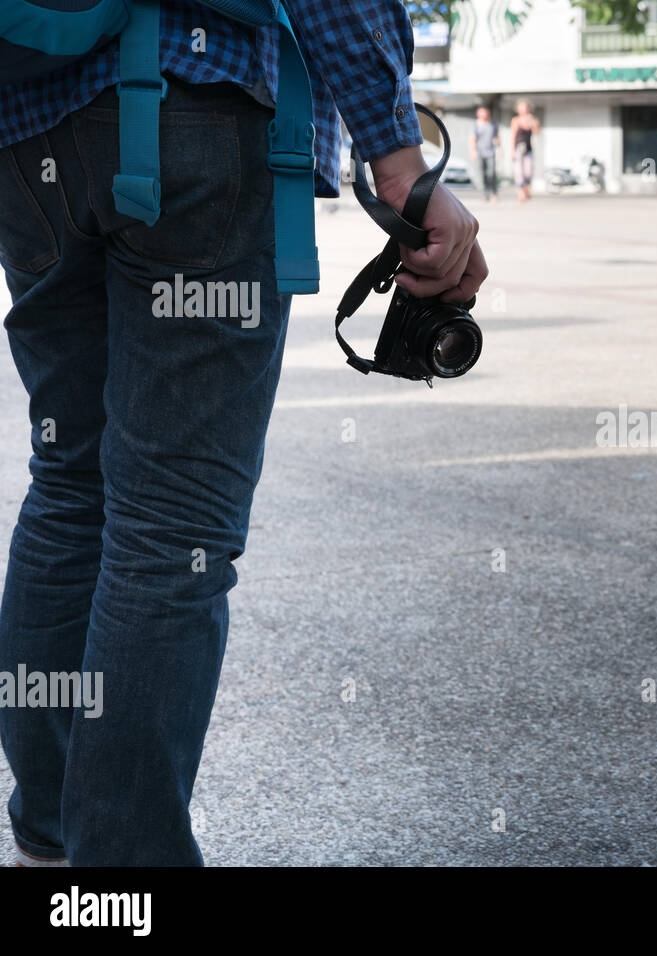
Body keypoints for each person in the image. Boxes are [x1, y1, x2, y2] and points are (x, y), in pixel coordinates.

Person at [0, 0, 487, 867]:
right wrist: (398, 157)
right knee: (170, 527)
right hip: (198, 107)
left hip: (27, 133)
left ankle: (52, 829)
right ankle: (123, 877)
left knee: (70, 484)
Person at [509, 99, 540, 204]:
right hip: (518, 148)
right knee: (519, 173)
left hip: (528, 148)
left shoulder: (533, 120)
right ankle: (521, 195)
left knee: (528, 172)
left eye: (525, 107)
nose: (523, 109)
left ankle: (526, 189)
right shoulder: (515, 120)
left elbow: (537, 132)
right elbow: (513, 136)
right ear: (518, 109)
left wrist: (532, 123)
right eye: (521, 107)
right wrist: (512, 151)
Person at [468, 105, 500, 202]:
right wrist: (472, 152)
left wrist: (500, 149)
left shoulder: (493, 124)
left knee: (492, 173)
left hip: (491, 152)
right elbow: (472, 139)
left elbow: (497, 137)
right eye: (482, 112)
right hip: (480, 153)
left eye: (485, 112)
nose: (484, 114)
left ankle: (494, 193)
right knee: (483, 175)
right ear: (478, 114)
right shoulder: (476, 125)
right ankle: (485, 195)